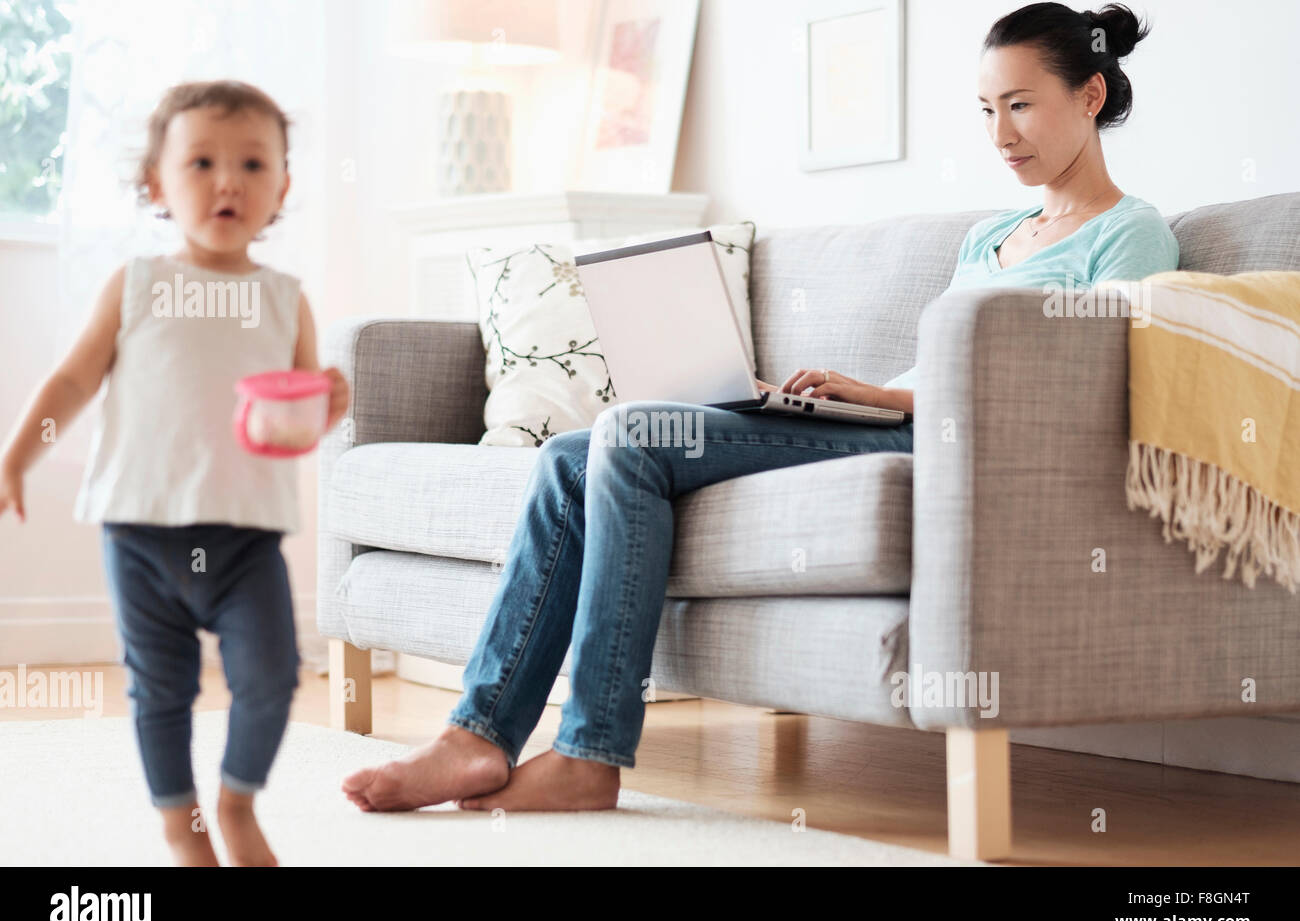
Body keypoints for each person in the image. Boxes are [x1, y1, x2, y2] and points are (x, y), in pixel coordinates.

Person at [340, 1, 1176, 813]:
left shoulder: (1129, 234)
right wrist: (846, 392)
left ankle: (590, 754)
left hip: (944, 443)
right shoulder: (987, 238)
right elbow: (943, 358)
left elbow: (1081, 385)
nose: (1000, 136)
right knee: (571, 455)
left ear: (1091, 96)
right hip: (888, 417)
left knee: (631, 437)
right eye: (988, 110)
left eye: (1021, 106)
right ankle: (478, 732)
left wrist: (883, 395)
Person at [0, 80, 350, 865]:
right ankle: (178, 820)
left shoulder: (285, 302)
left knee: (272, 677)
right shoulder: (137, 286)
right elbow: (71, 382)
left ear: (282, 188)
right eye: (201, 162)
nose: (228, 180)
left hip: (245, 540)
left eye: (253, 164)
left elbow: (293, 419)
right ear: (156, 184)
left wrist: (326, 404)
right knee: (161, 690)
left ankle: (236, 800)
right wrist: (18, 455)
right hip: (142, 534)